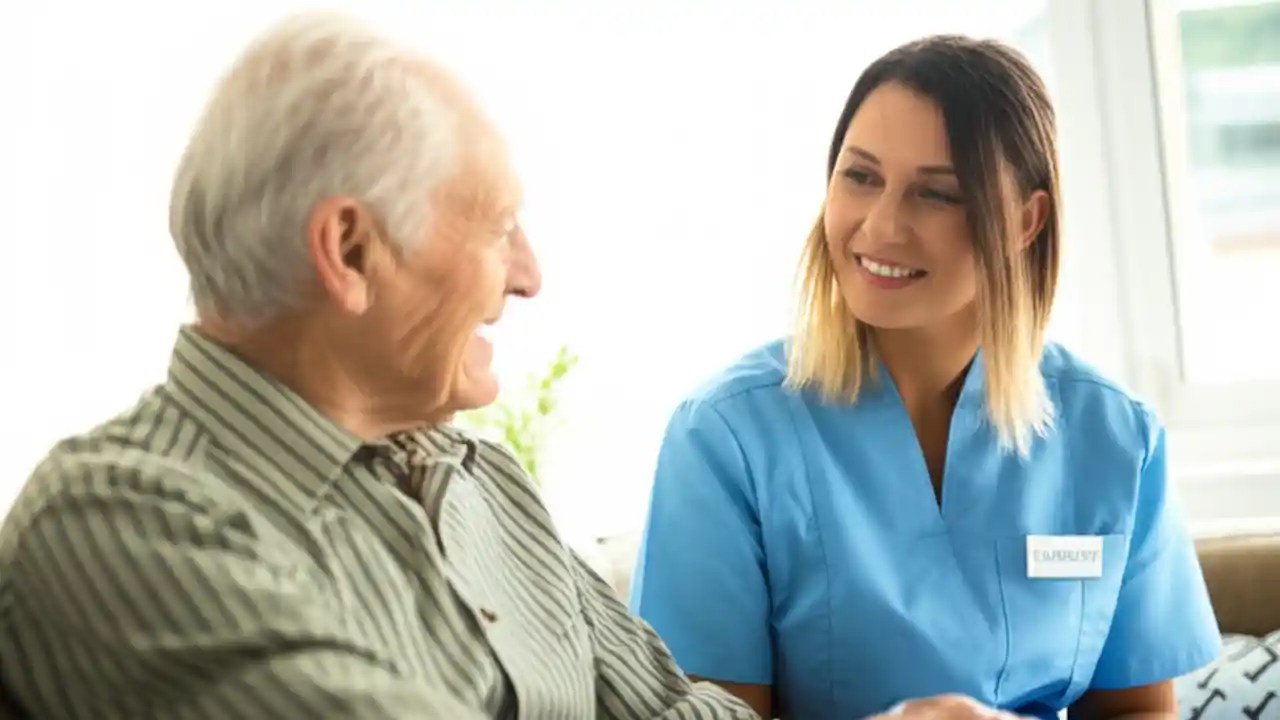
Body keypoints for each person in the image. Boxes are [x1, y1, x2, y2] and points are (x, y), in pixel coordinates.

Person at [0, 12, 757, 719]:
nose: (529, 276)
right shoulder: (120, 518)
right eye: (499, 228)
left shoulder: (482, 482)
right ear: (351, 251)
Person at [630, 35, 1221, 720]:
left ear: (1025, 221)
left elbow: (1136, 711)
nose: (880, 226)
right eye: (861, 177)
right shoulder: (725, 438)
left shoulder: (1116, 438)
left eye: (936, 194)